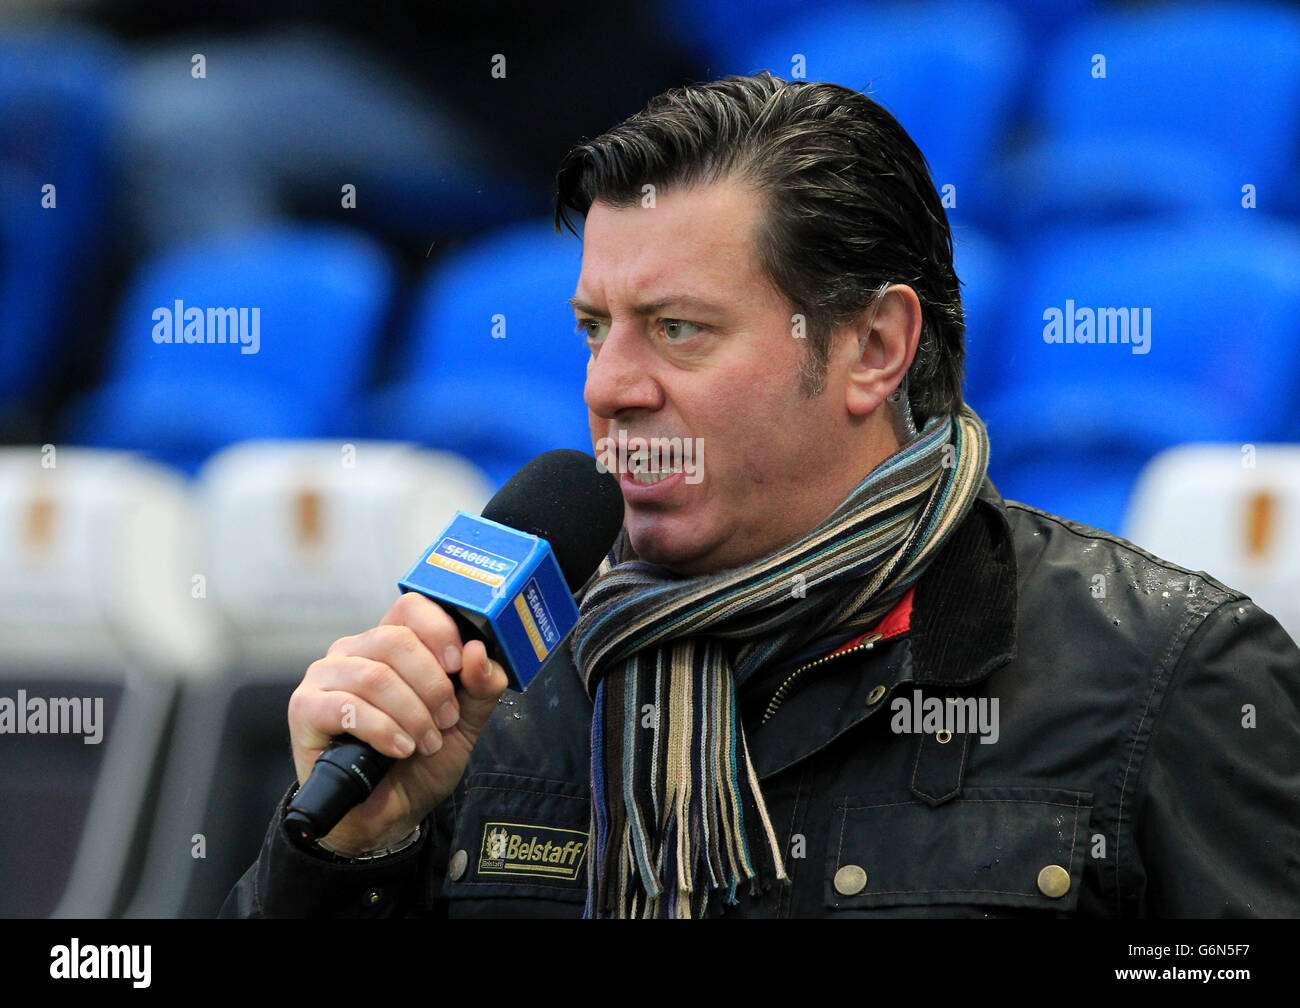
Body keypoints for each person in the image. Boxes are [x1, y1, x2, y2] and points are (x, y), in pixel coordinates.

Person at [223, 71, 1300, 919]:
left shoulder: (1166, 675)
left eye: (678, 328)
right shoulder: (491, 690)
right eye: (595, 328)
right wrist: (351, 858)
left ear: (872, 348)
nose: (609, 387)